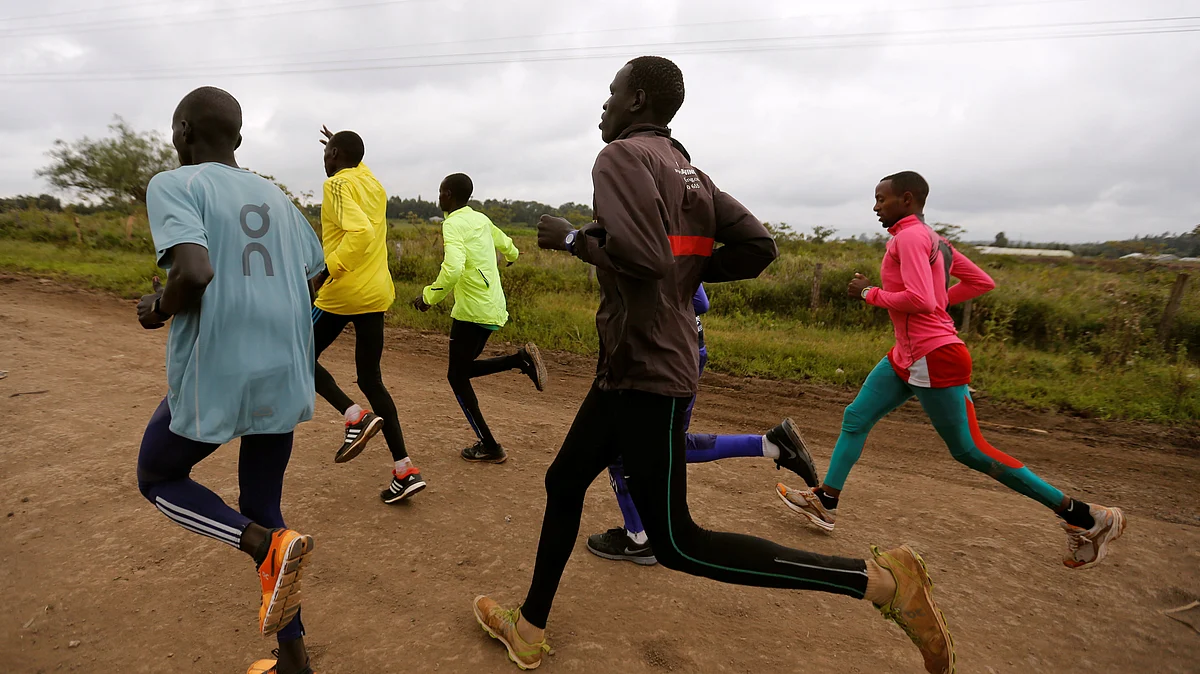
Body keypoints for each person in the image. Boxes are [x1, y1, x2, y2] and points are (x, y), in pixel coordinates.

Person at [470, 57, 954, 674]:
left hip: (647, 370)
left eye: (612, 92)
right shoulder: (689, 171)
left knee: (677, 543)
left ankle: (880, 583)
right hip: (631, 367)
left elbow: (642, 258)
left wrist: (572, 240)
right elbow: (757, 248)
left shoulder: (620, 158)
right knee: (564, 481)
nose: (604, 104)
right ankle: (529, 629)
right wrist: (682, 275)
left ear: (638, 99)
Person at [776, 171, 1126, 571]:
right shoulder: (937, 242)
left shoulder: (907, 238)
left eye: (881, 199)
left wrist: (868, 293)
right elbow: (980, 282)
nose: (875, 207)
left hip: (934, 356)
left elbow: (921, 300)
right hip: (906, 356)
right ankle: (827, 501)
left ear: (907, 200)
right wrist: (938, 300)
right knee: (855, 417)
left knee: (970, 451)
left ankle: (1086, 516)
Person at [134, 87, 323, 674]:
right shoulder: (280, 200)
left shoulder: (175, 185)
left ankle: (262, 546)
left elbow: (194, 271)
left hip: (219, 370)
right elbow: (315, 277)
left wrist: (160, 308)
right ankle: (293, 657)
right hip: (284, 370)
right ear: (238, 139)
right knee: (263, 501)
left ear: (183, 131)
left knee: (158, 474)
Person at [587, 282, 820, 565]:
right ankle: (771, 445)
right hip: (684, 350)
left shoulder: (647, 241)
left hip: (662, 359)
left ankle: (639, 539)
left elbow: (694, 303)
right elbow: (699, 301)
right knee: (668, 443)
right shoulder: (674, 240)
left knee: (624, 450)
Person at [310, 126, 425, 504]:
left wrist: (326, 271)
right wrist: (343, 144)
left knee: (297, 353)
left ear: (338, 154)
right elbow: (359, 167)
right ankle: (404, 469)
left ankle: (354, 416)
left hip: (343, 291)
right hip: (376, 292)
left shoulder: (337, 186)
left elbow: (357, 233)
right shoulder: (372, 183)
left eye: (328, 152)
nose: (323, 158)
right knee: (371, 379)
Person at [413, 173, 547, 464]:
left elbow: (452, 269)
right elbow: (505, 241)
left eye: (440, 193)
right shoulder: (480, 219)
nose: (438, 198)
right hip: (491, 307)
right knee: (461, 372)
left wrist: (427, 298)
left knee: (456, 375)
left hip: (472, 312)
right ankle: (518, 361)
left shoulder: (452, 224)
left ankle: (490, 445)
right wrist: (512, 254)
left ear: (447, 194)